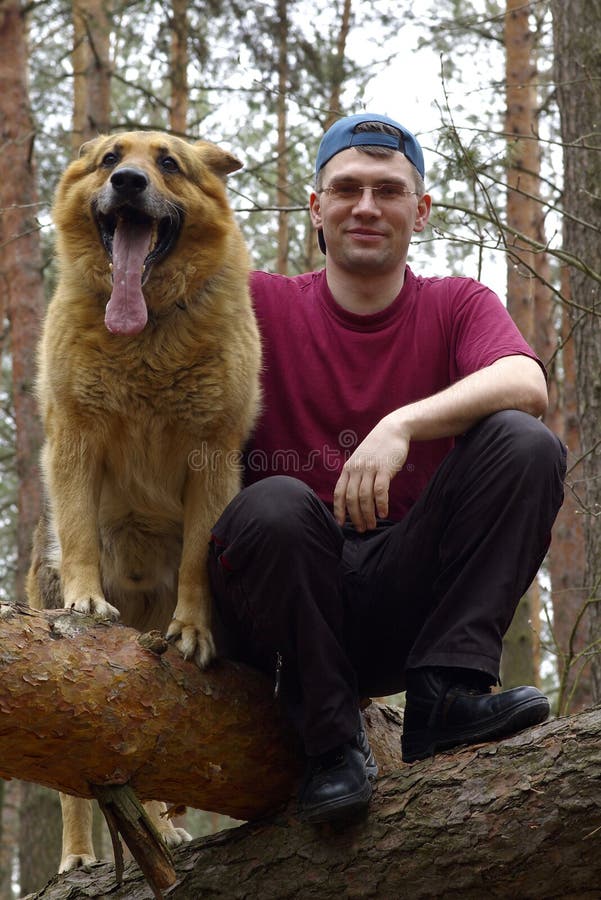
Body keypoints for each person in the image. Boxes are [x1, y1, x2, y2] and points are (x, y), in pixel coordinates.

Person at [207, 113, 567, 825]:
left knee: (525, 442)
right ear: (315, 207)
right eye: (345, 189)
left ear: (420, 210)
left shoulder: (456, 303)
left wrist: (400, 424)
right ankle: (329, 745)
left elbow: (525, 382)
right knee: (275, 502)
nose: (365, 207)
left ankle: (444, 697)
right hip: (276, 608)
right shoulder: (257, 302)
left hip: (401, 605)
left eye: (387, 190)